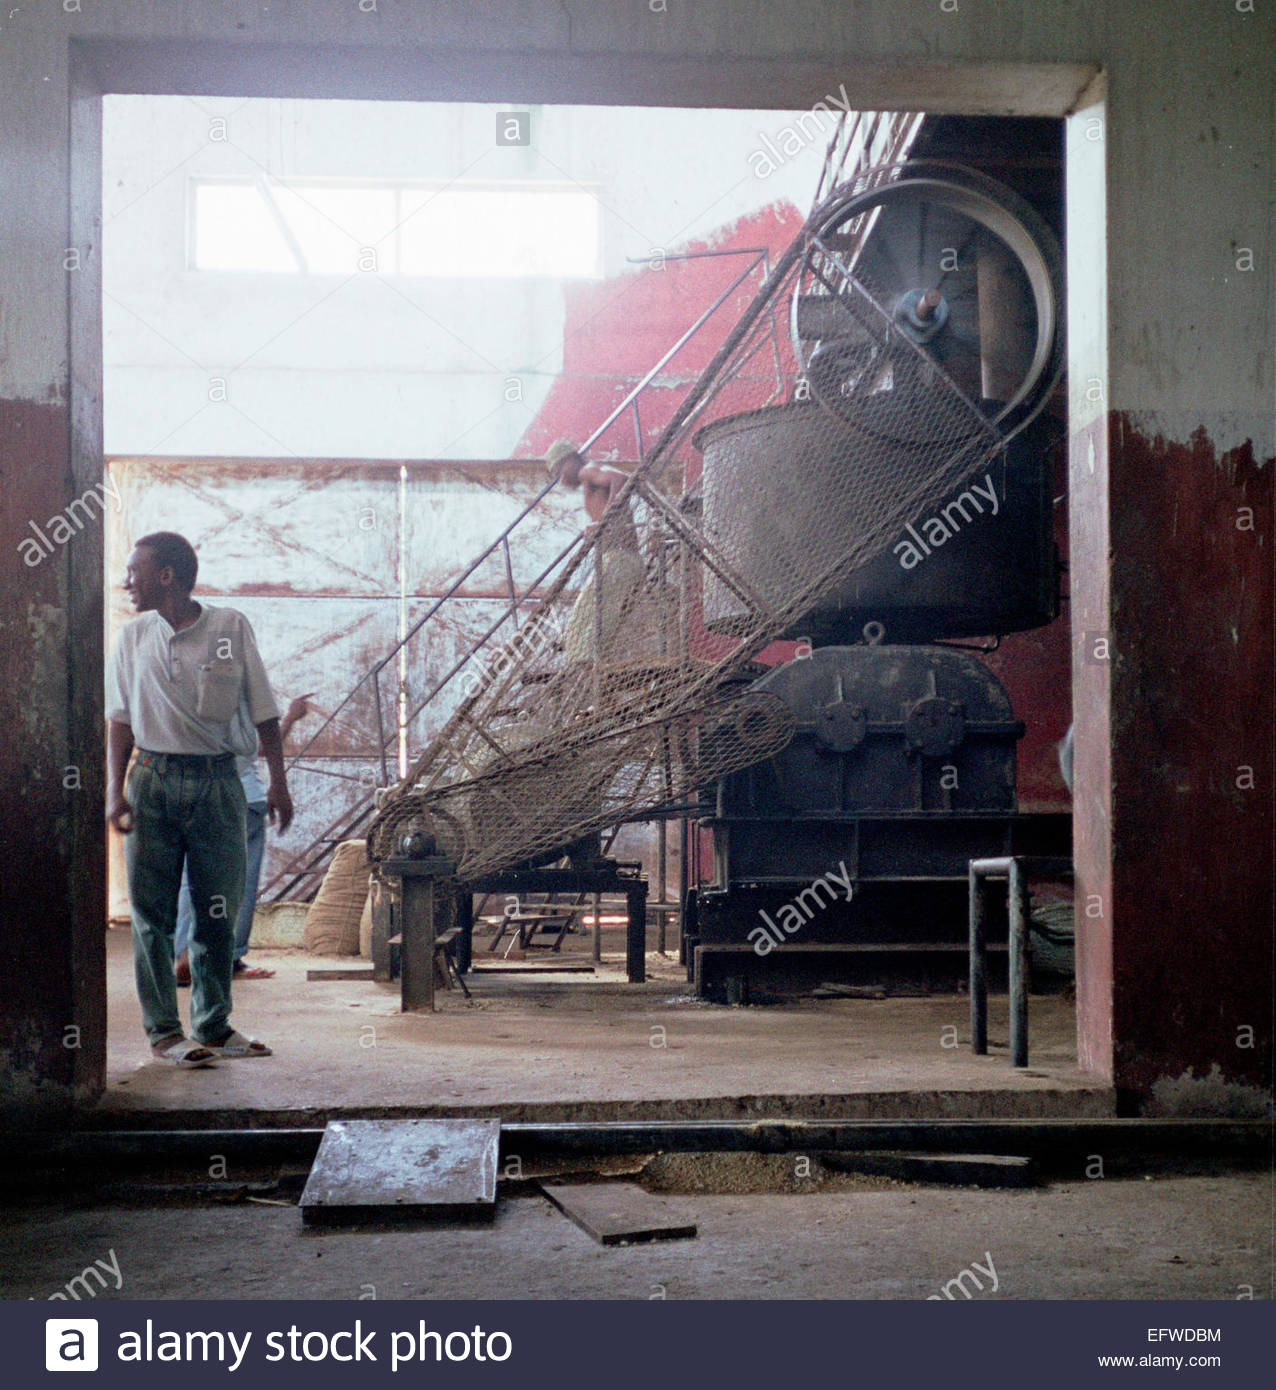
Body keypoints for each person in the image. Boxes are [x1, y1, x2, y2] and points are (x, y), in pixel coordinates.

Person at [105, 532, 294, 1068]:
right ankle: (164, 1032)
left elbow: (265, 712)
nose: (127, 582)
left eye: (134, 571)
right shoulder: (133, 636)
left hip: (218, 784)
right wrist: (114, 791)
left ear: (166, 575)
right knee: (152, 915)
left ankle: (212, 1024)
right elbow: (118, 721)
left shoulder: (229, 628)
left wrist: (278, 783)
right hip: (153, 781)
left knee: (218, 912)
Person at [173, 693, 314, 986]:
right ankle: (230, 956)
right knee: (241, 882)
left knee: (192, 877)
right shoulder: (246, 690)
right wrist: (290, 718)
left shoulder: (186, 693)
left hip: (196, 795)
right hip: (245, 798)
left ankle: (184, 952)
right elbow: (263, 745)